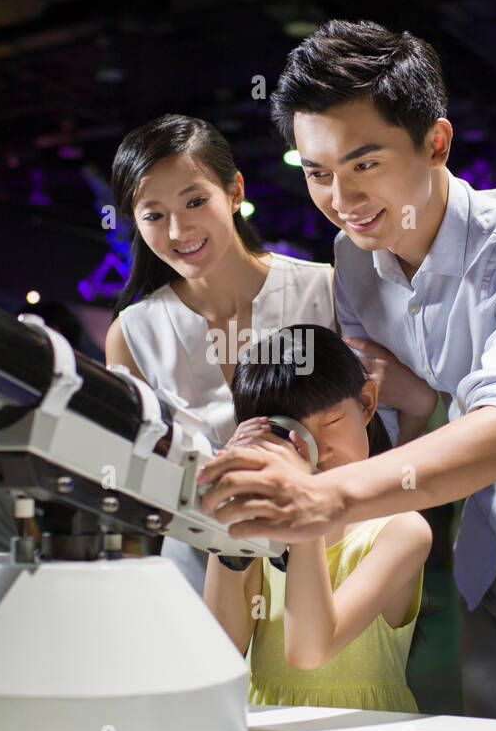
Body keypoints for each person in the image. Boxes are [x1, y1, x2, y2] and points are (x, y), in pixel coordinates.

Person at [199, 20, 496, 731]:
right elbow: (397, 420)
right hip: (491, 548)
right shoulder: (355, 262)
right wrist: (413, 402)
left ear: (437, 142)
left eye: (365, 163)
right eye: (316, 172)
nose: (341, 196)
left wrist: (322, 499)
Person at [104, 114, 342, 593]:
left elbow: (374, 432)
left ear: (234, 191)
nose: (178, 229)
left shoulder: (326, 290)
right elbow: (132, 473)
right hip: (198, 561)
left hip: (320, 550)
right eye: (153, 215)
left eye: (195, 201)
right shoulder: (133, 332)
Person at [204, 325, 431, 712]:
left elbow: (310, 650)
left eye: (329, 422)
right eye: (291, 437)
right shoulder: (264, 527)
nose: (315, 453)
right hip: (266, 727)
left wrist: (303, 507)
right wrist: (230, 506)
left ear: (366, 403)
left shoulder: (401, 530)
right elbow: (221, 649)